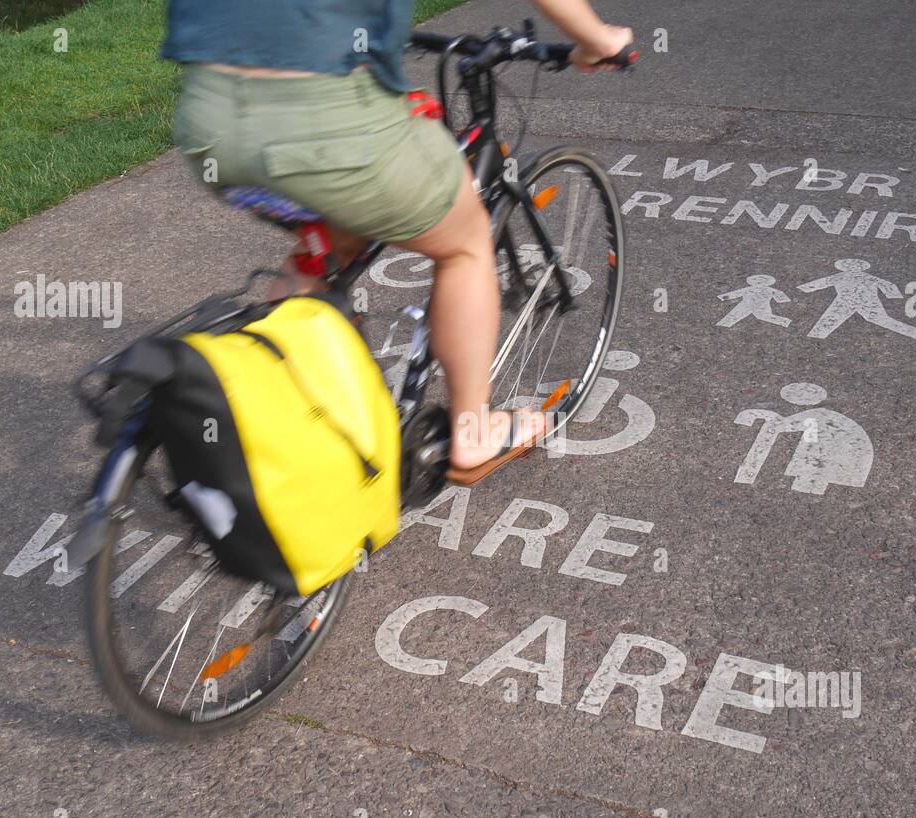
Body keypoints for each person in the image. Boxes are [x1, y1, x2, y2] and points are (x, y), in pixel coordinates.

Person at [161, 0, 633, 485]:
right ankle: (473, 434)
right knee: (467, 241)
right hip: (323, 122)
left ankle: (270, 410)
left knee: (331, 244)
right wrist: (598, 39)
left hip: (211, 127)